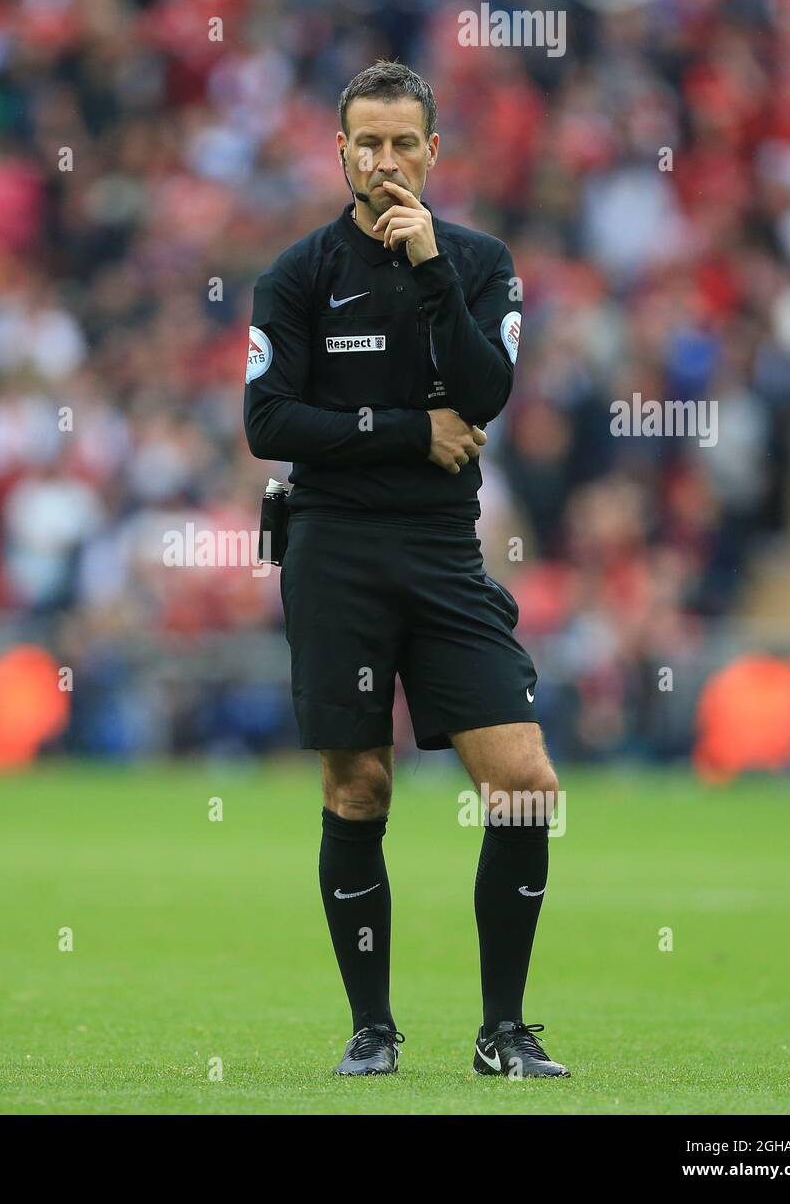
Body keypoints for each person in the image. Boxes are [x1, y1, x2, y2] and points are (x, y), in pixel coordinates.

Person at [243, 60, 567, 1078]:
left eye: (403, 143)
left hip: (440, 551)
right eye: (367, 143)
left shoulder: (475, 261)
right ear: (339, 150)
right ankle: (371, 1031)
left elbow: (486, 394)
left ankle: (503, 1031)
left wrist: (430, 274)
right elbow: (266, 423)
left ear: (434, 151)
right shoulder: (295, 276)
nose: (385, 161)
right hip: (333, 548)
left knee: (522, 783)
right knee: (358, 788)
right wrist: (400, 427)